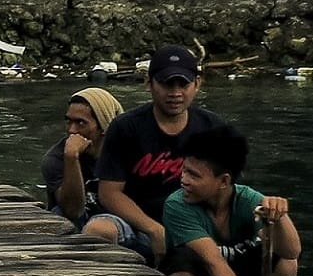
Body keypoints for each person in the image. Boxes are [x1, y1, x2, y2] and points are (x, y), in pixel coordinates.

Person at [86, 45, 226, 263]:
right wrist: (153, 229)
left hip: (191, 226)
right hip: (135, 224)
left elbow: (226, 190)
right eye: (166, 84)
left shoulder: (213, 128)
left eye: (183, 84)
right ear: (148, 83)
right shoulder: (125, 127)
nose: (175, 93)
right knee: (98, 230)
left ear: (197, 84)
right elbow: (110, 193)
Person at [164, 122, 301, 276]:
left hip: (238, 272)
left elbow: (291, 252)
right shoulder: (177, 205)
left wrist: (280, 216)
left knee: (287, 264)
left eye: (194, 175)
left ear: (223, 181)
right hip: (202, 275)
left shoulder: (248, 199)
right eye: (184, 170)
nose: (184, 180)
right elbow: (213, 261)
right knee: (182, 270)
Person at [43, 86, 121, 228]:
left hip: (116, 222)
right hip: (75, 224)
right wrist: (71, 158)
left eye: (81, 123)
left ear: (103, 127)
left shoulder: (125, 152)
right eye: (69, 121)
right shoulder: (55, 158)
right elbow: (72, 211)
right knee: (58, 214)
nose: (71, 130)